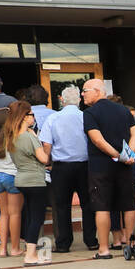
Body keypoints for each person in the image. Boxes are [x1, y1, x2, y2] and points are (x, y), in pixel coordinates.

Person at [82, 78, 135, 260]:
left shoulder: (90, 113)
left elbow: (97, 140)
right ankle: (131, 244)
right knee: (129, 204)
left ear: (98, 91)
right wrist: (128, 155)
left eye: (85, 90)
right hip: (124, 166)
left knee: (102, 207)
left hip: (101, 166)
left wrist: (116, 155)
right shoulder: (123, 110)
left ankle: (104, 249)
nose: (82, 94)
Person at [41, 85, 97, 254]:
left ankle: (63, 243)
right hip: (84, 166)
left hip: (61, 167)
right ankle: (91, 241)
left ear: (62, 100)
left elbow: (46, 144)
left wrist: (48, 161)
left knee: (62, 206)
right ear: (79, 100)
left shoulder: (53, 118)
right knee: (88, 204)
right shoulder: (86, 117)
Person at [2, 103, 50, 265]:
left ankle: (31, 253)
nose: (33, 117)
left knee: (30, 216)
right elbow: (44, 159)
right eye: (31, 114)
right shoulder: (29, 137)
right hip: (35, 180)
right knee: (36, 218)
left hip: (21, 179)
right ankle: (30, 255)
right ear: (24, 117)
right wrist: (38, 141)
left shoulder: (12, 137)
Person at [0, 108, 19, 258]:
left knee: (3, 214)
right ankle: (15, 248)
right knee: (15, 213)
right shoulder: (14, 138)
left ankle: (3, 249)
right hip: (12, 176)